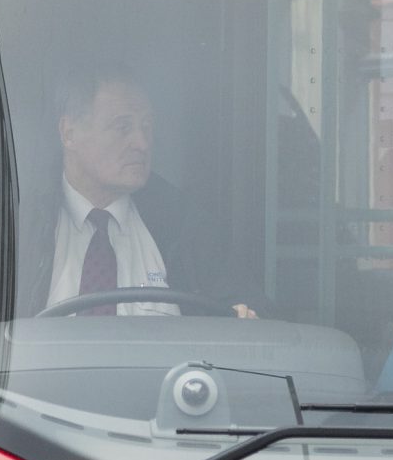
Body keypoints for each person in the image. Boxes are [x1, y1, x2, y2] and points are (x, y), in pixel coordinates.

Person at [18, 64, 252, 318]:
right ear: (69, 133)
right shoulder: (15, 227)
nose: (142, 143)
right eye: (123, 127)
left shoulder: (185, 227)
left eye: (146, 127)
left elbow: (248, 313)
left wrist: (246, 317)